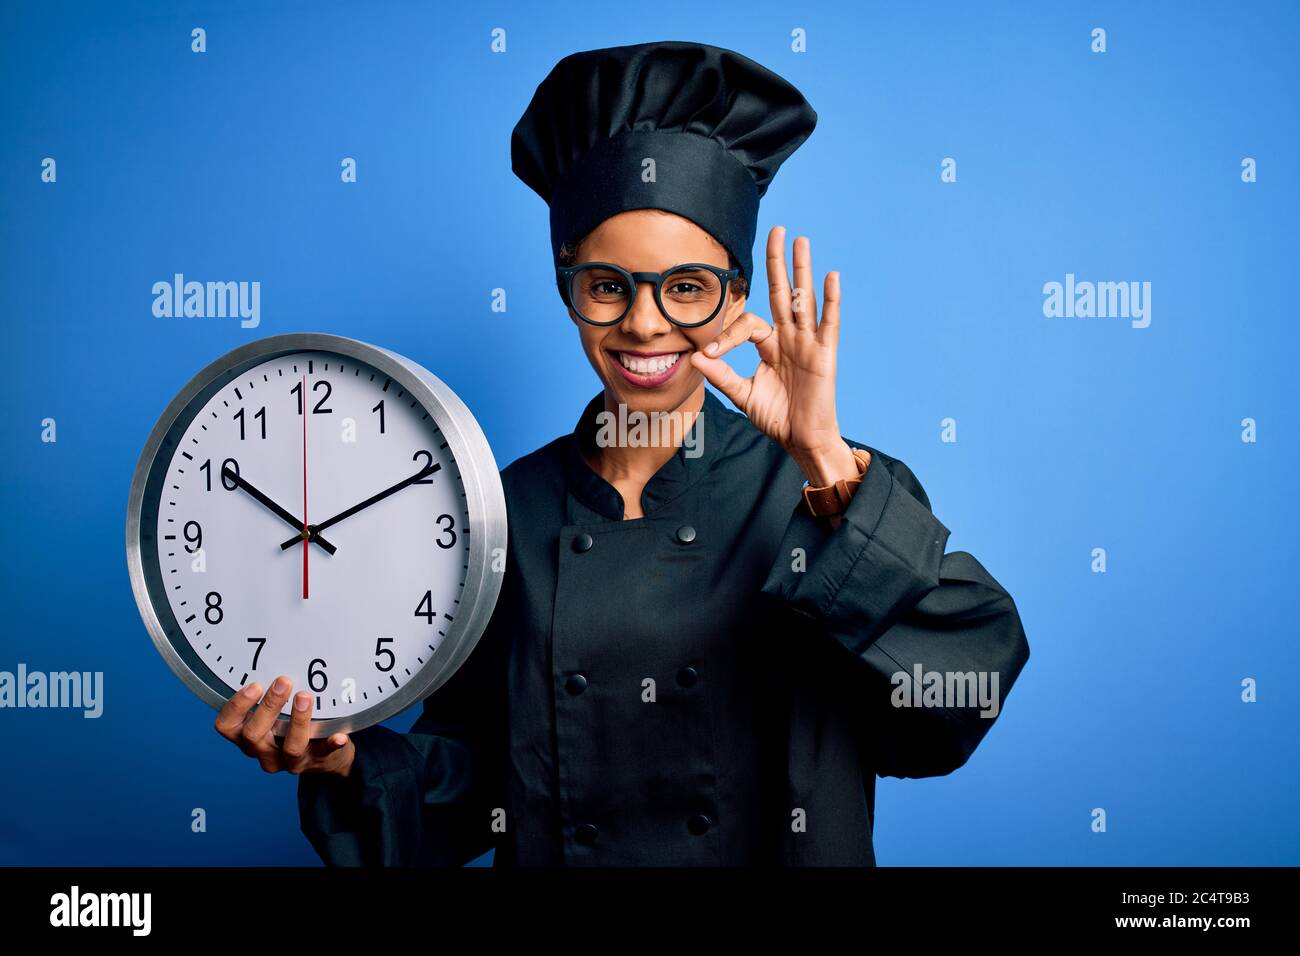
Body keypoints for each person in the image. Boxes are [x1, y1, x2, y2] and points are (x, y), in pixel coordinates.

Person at [213, 40, 1030, 866]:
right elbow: (477, 784)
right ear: (567, 285)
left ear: (737, 297)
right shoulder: (503, 513)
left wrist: (821, 453)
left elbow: (954, 708)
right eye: (608, 285)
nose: (644, 324)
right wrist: (347, 759)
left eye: (686, 287)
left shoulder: (830, 493)